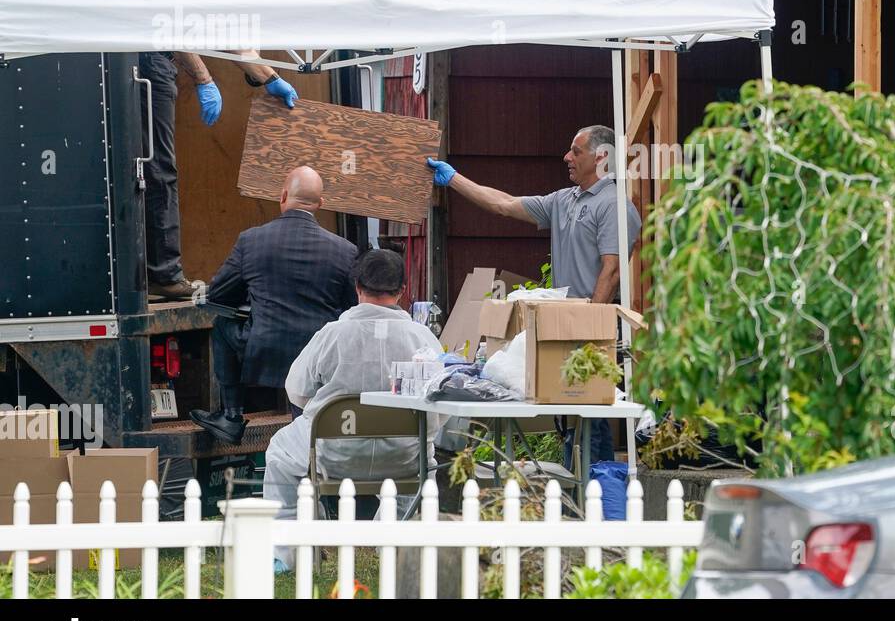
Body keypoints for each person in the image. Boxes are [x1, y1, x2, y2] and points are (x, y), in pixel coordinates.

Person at [426, 124, 641, 463]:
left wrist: (585, 330)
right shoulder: (563, 200)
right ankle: (579, 496)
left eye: (576, 151)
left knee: (590, 418)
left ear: (602, 157)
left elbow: (611, 271)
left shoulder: (614, 205)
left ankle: (597, 501)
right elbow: (504, 205)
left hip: (589, 329)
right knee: (568, 419)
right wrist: (454, 179)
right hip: (561, 327)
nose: (567, 157)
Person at [263, 249, 445, 572]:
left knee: (279, 451)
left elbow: (297, 389)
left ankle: (285, 553)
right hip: (404, 456)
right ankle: (391, 541)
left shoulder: (332, 334)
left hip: (333, 453)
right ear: (402, 290)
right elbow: (438, 404)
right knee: (425, 461)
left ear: (357, 286)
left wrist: (328, 413)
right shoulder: (423, 338)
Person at [192, 166, 358, 444]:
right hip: (318, 356)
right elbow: (350, 309)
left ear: (282, 196)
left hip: (264, 349)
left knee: (222, 325)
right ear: (320, 204)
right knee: (305, 424)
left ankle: (231, 415)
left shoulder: (251, 240)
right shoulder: (345, 250)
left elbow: (218, 293)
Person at [139, 50, 299, 302]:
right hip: (150, 59)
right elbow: (176, 30)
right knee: (158, 169)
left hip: (155, 62)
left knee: (157, 169)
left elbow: (228, 36)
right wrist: (204, 79)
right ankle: (163, 275)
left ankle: (162, 274)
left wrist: (269, 78)